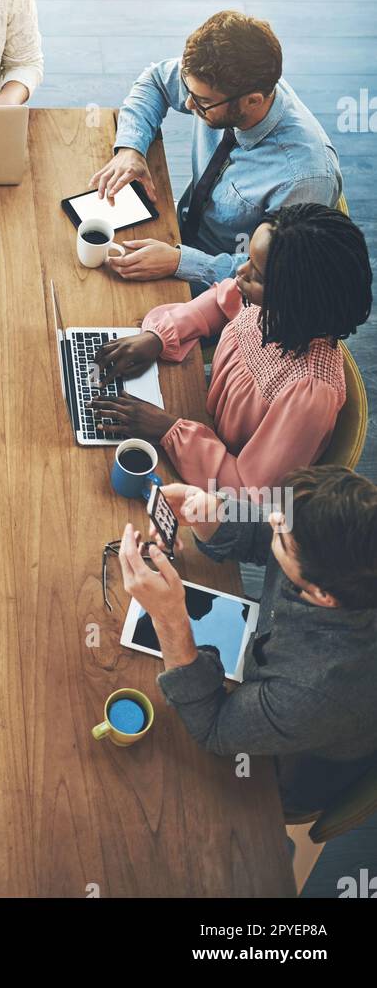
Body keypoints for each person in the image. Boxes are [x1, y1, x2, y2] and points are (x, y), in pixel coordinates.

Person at [117, 467, 377, 819]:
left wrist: (168, 619)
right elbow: (267, 534)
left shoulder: (315, 691)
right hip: (264, 662)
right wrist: (211, 514)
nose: (272, 518)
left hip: (273, 771)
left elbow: (213, 728)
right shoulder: (337, 554)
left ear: (322, 595)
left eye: (283, 533)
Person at [95, 205, 372, 497]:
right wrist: (158, 337)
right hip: (202, 424)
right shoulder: (273, 308)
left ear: (297, 297)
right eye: (249, 258)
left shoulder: (309, 394)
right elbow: (220, 301)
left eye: (257, 275)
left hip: (215, 485)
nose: (240, 271)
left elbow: (249, 492)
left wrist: (168, 429)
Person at [88, 10, 341, 292]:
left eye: (202, 101)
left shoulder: (305, 178)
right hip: (175, 231)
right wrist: (130, 149)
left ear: (252, 101)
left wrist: (179, 262)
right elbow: (156, 80)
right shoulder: (224, 84)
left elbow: (276, 271)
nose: (188, 105)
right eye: (189, 91)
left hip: (224, 284)